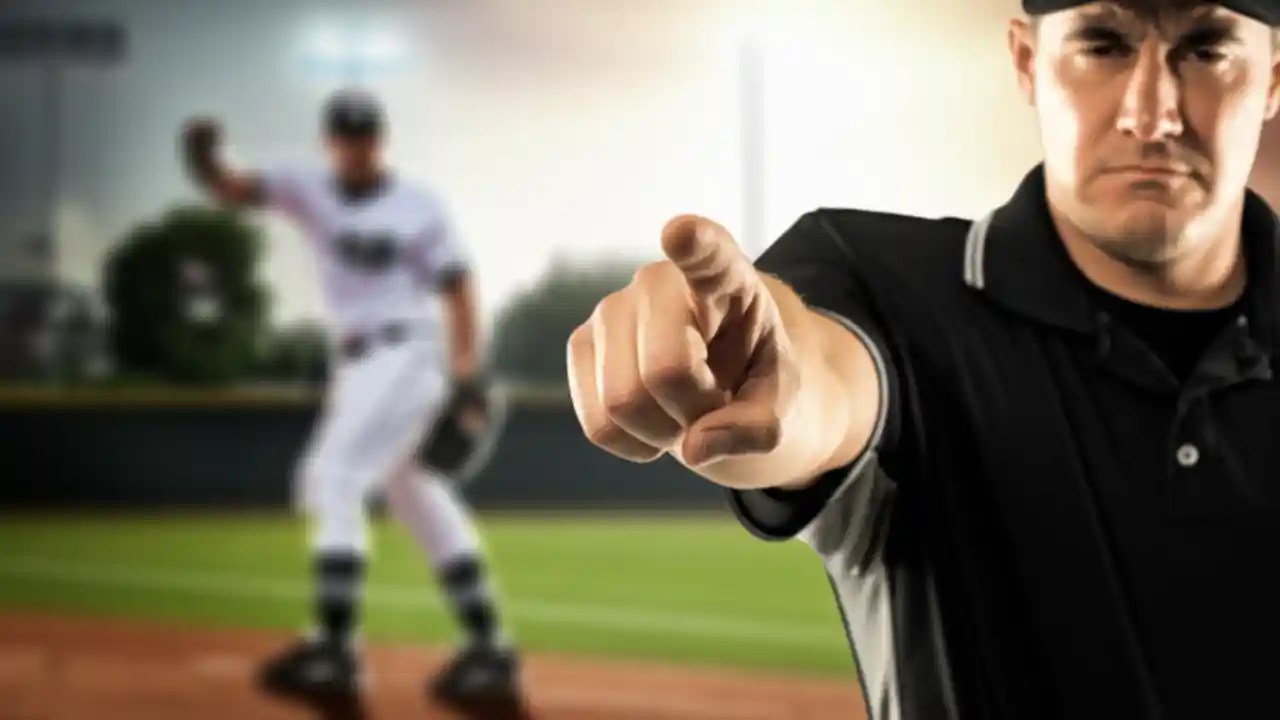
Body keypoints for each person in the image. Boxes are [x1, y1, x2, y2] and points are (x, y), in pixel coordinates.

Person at [567, 2, 1280, 719]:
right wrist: (775, 386)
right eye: (1103, 44)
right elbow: (827, 382)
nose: (1151, 114)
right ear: (1028, 60)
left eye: (1206, 48)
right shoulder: (890, 290)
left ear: (1274, 76)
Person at [180, 88, 523, 715]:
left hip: (405, 351)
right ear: (329, 142)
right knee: (414, 490)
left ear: (380, 141)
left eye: (365, 136)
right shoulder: (306, 186)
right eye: (345, 135)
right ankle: (488, 647)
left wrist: (469, 371)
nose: (356, 145)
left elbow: (459, 287)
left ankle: (335, 649)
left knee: (332, 475)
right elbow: (234, 189)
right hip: (361, 363)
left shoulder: (419, 206)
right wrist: (206, 163)